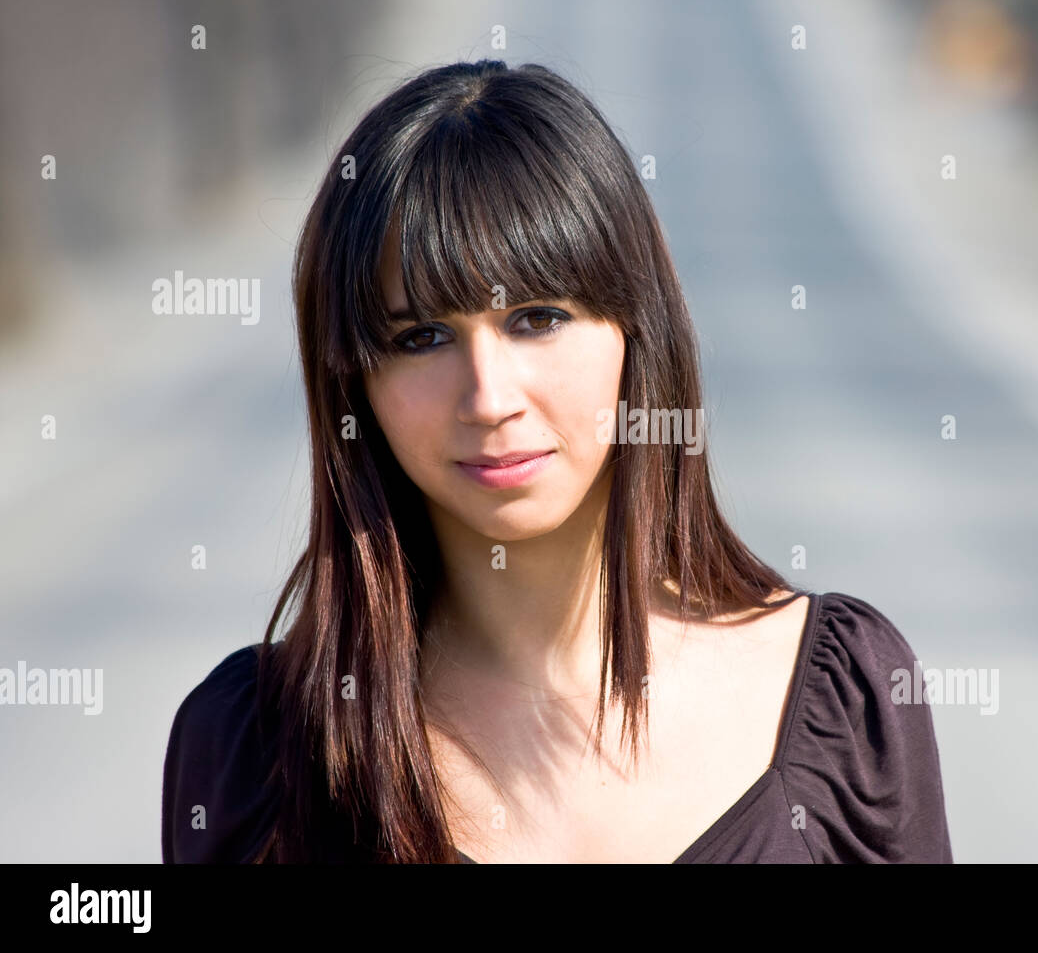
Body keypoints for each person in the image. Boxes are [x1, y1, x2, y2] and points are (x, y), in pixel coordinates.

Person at [161, 59, 953, 864]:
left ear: (635, 336)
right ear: (355, 385)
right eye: (420, 338)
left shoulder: (846, 697)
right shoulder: (256, 752)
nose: (489, 396)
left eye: (537, 319)